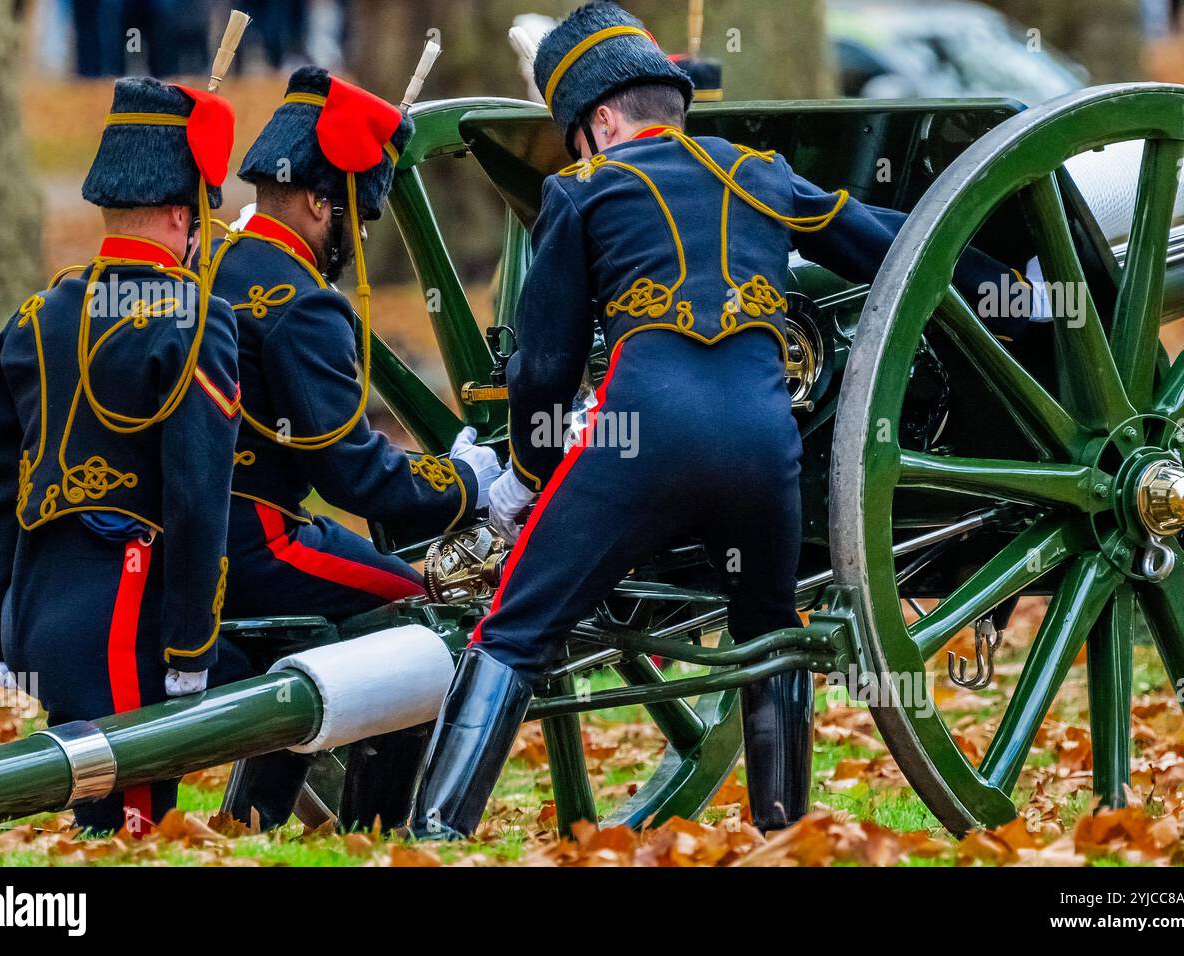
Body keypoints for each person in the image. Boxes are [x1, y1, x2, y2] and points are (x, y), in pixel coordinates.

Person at [409, 1, 1032, 839]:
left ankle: (437, 832)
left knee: (514, 629)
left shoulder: (580, 190)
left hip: (640, 450)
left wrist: (528, 472)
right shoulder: (758, 170)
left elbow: (547, 368)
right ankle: (784, 831)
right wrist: (1010, 289)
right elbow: (889, 243)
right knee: (772, 630)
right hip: (763, 455)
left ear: (598, 119)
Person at [204, 66, 500, 831]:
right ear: (315, 202)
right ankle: (378, 833)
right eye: (353, 220)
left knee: (323, 628)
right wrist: (465, 480)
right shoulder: (302, 303)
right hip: (255, 539)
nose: (355, 238)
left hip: (186, 532)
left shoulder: (206, 263)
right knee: (419, 622)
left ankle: (256, 819)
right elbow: (353, 473)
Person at [0, 77, 239, 834]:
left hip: (42, 611)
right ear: (183, 215)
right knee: (134, 830)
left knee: (92, 821)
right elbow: (197, 493)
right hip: (130, 614)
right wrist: (190, 642)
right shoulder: (194, 318)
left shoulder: (34, 315)